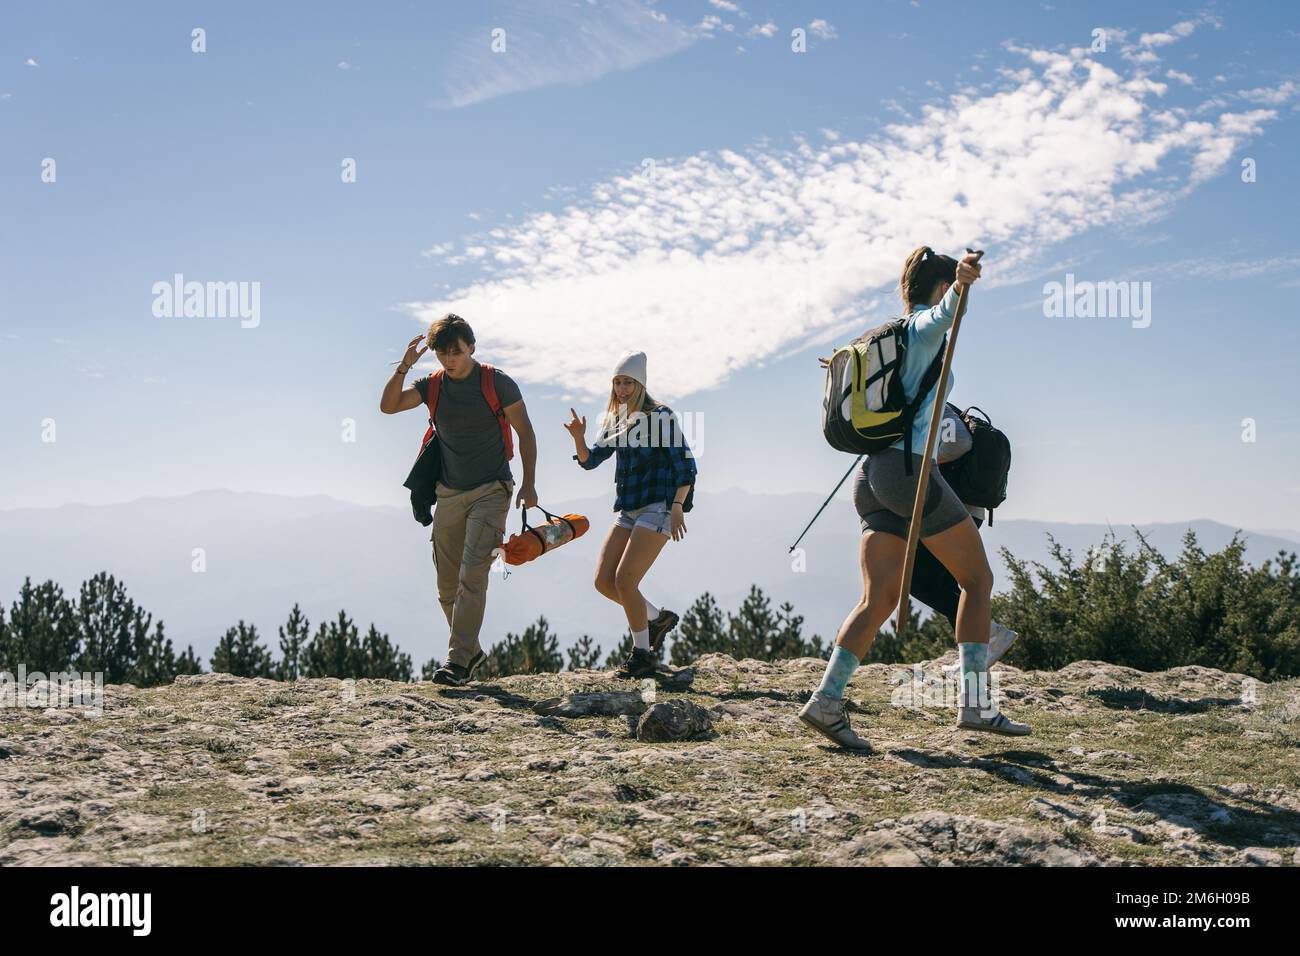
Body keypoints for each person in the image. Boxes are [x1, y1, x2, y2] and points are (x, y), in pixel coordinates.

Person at [798, 247, 1031, 751]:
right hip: (908, 473)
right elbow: (946, 313)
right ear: (941, 287)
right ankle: (976, 705)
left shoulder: (881, 337)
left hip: (871, 477)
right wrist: (964, 284)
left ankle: (827, 701)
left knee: (877, 598)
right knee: (977, 580)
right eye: (950, 287)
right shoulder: (925, 329)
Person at [380, 313, 539, 686]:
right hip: (448, 493)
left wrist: (529, 485)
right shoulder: (432, 385)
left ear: (471, 348)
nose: (449, 359)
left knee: (473, 574)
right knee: (446, 586)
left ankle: (458, 660)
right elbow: (388, 406)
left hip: (492, 489)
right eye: (442, 353)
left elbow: (526, 432)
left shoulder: (496, 382)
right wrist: (405, 365)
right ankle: (470, 649)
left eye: (456, 351)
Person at [565, 351, 697, 679]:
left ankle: (642, 655)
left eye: (628, 382)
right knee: (603, 582)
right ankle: (656, 619)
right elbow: (591, 459)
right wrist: (580, 439)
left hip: (660, 507)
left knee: (625, 581)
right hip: (628, 509)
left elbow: (687, 467)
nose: (622, 389)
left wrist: (678, 507)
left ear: (640, 384)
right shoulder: (618, 421)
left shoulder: (661, 416)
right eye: (617, 382)